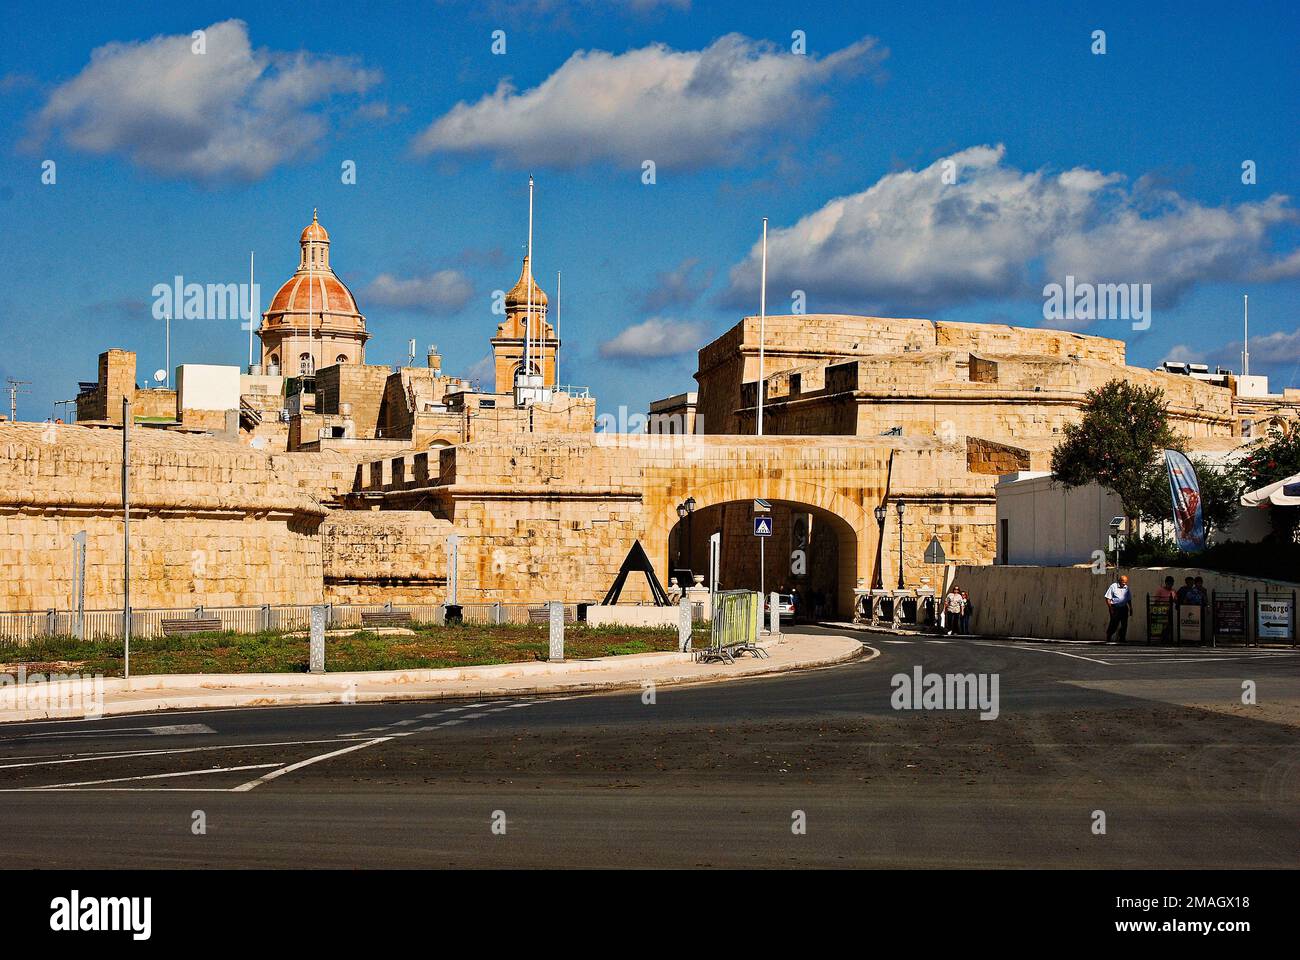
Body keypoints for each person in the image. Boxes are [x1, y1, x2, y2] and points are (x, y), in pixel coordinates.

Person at [1104, 574, 1132, 643]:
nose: (1124, 584)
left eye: (1125, 582)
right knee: (1114, 623)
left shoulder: (1126, 588)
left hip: (1124, 608)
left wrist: (1131, 608)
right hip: (1115, 608)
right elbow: (1108, 598)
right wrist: (1110, 608)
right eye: (1123, 582)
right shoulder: (1113, 586)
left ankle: (1122, 637)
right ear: (1119, 581)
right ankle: (1109, 635)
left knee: (1124, 624)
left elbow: (1129, 599)